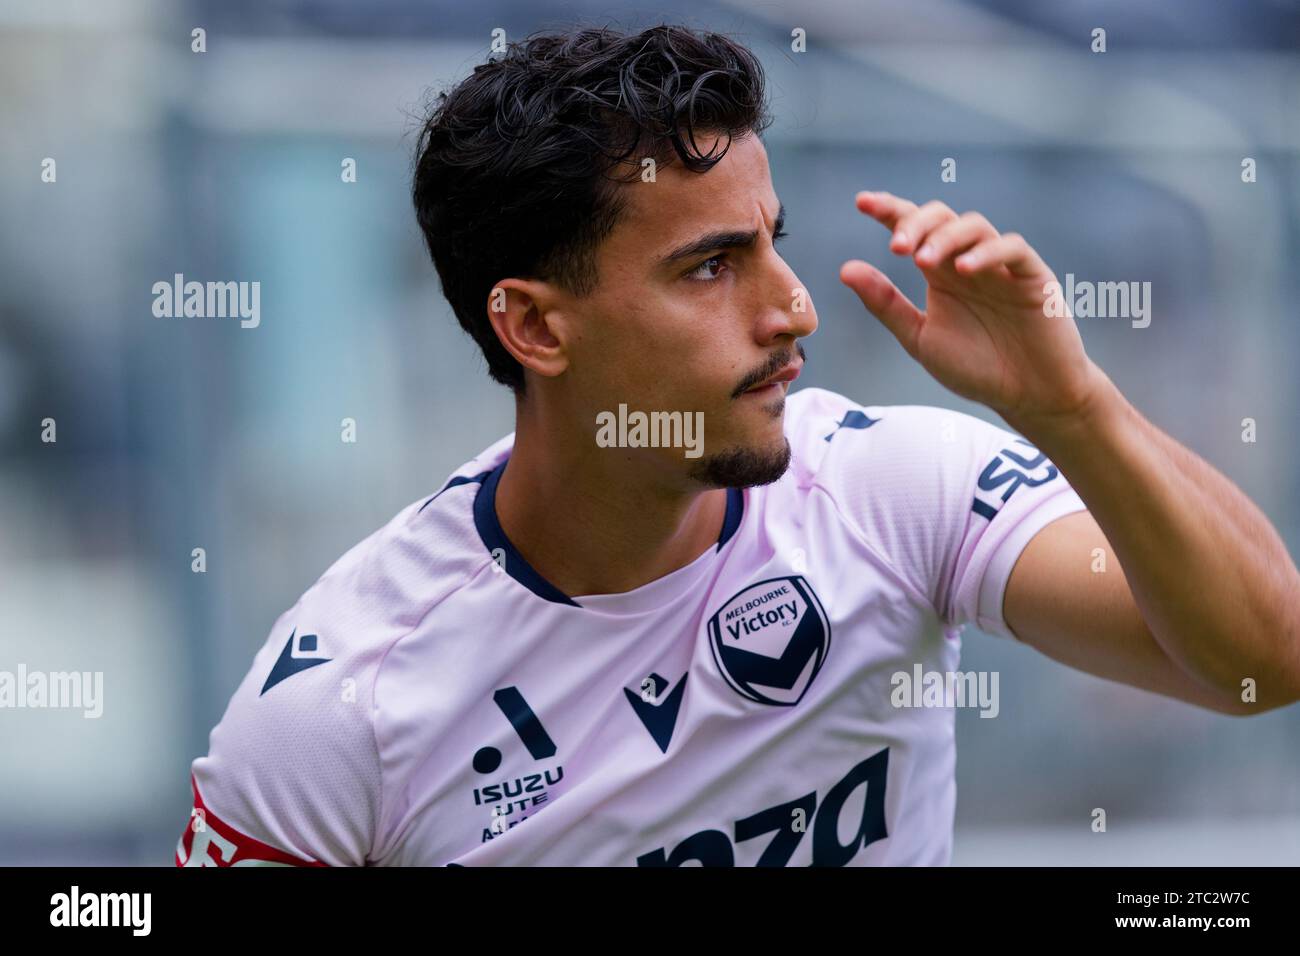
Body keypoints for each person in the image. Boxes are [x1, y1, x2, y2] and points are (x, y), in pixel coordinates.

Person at [176, 24, 1300, 867]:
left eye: (774, 242)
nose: (794, 308)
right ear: (535, 328)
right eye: (711, 267)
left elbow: (1263, 663)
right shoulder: (341, 708)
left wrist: (1072, 408)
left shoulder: (890, 487)